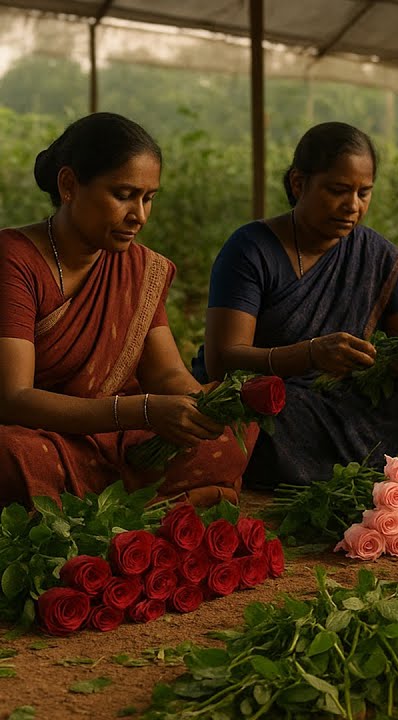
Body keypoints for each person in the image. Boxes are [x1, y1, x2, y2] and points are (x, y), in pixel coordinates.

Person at [195, 122, 398, 488]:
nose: (353, 206)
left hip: (351, 402)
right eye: (338, 190)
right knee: (257, 417)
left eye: (364, 192)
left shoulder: (376, 255)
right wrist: (310, 355)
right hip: (288, 405)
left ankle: (371, 470)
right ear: (299, 184)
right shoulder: (251, 249)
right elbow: (222, 360)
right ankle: (378, 468)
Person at [0, 112, 253, 507]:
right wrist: (143, 411)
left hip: (113, 437)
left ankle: (130, 503)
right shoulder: (14, 259)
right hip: (36, 432)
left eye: (148, 198)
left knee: (230, 435)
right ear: (68, 185)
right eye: (123, 195)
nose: (139, 215)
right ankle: (157, 503)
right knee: (13, 456)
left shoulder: (140, 268)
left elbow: (165, 371)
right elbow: (13, 398)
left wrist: (203, 407)